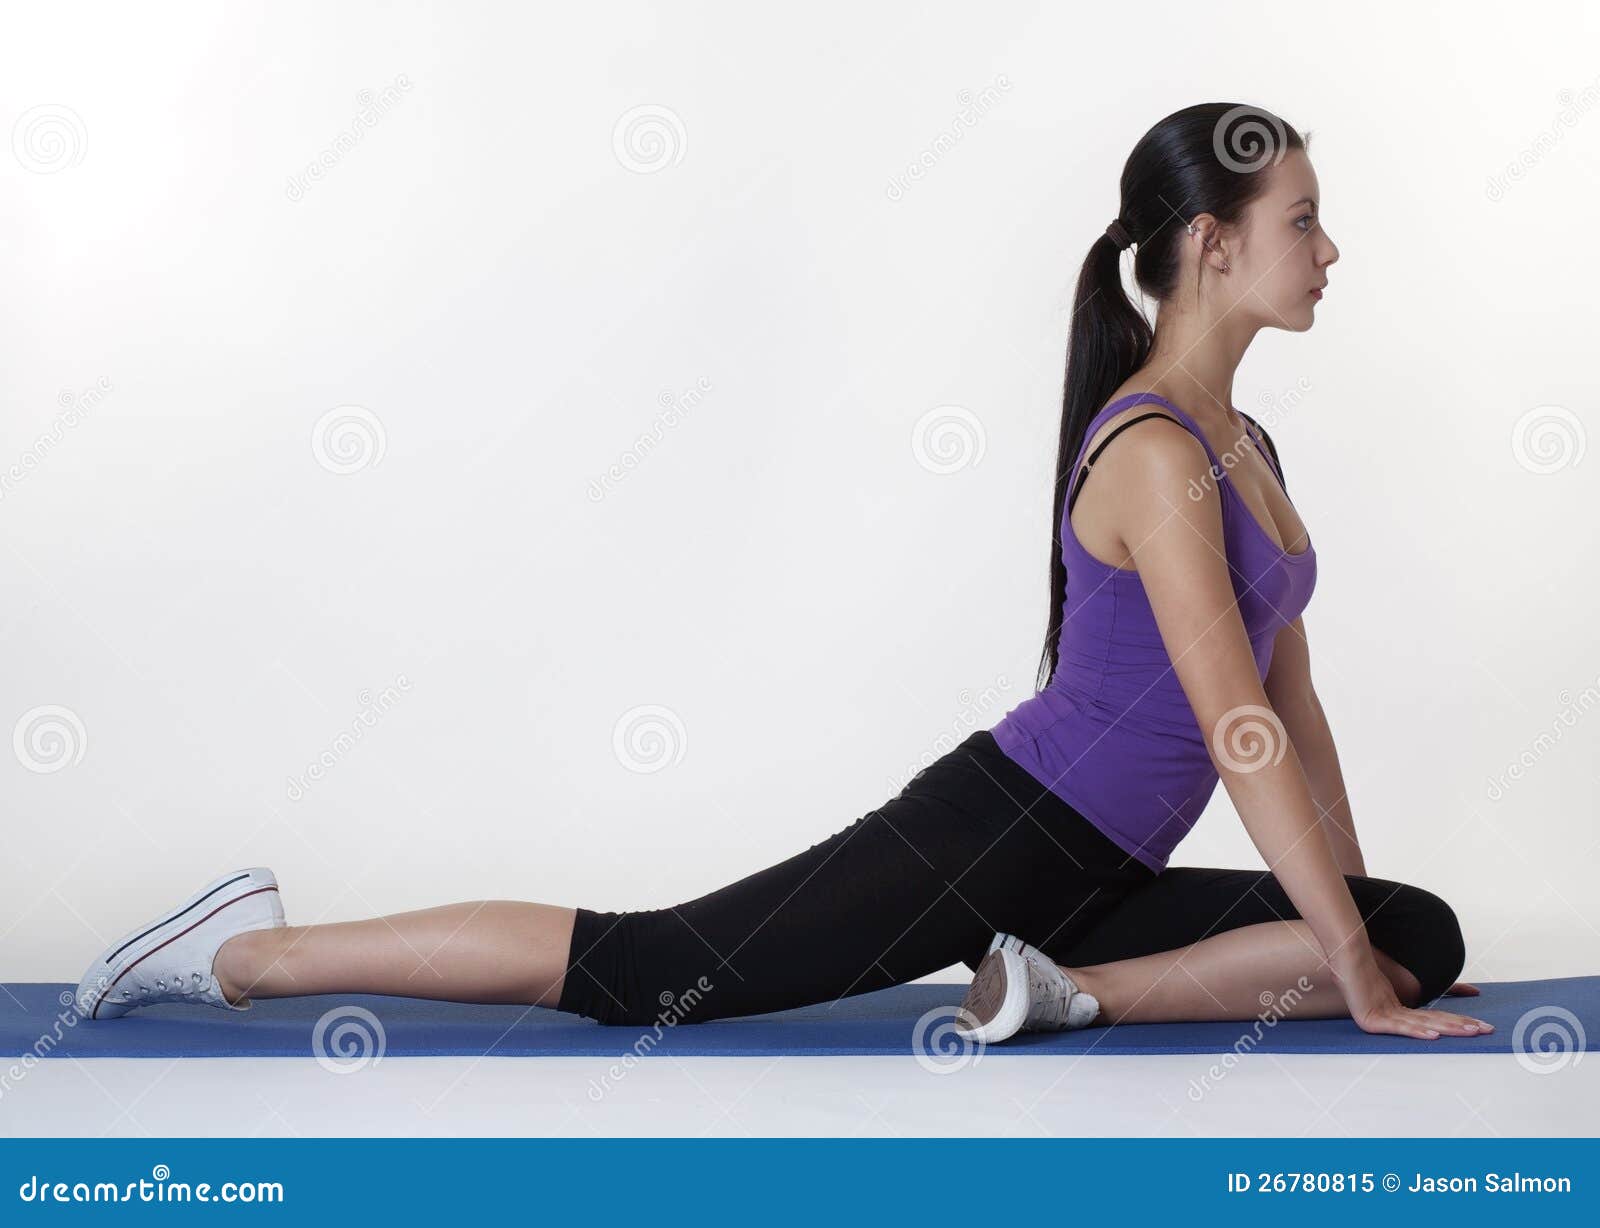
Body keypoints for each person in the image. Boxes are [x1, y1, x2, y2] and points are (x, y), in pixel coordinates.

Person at [73, 102, 1491, 1046]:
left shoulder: (1250, 444)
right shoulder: (1151, 449)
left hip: (1103, 877)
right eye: (1303, 219)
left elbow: (1297, 714)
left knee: (1420, 926)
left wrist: (1361, 929)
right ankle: (252, 953)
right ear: (1211, 242)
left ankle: (1065, 995)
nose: (1329, 248)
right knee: (649, 972)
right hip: (1001, 830)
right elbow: (1236, 721)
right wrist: (1346, 973)